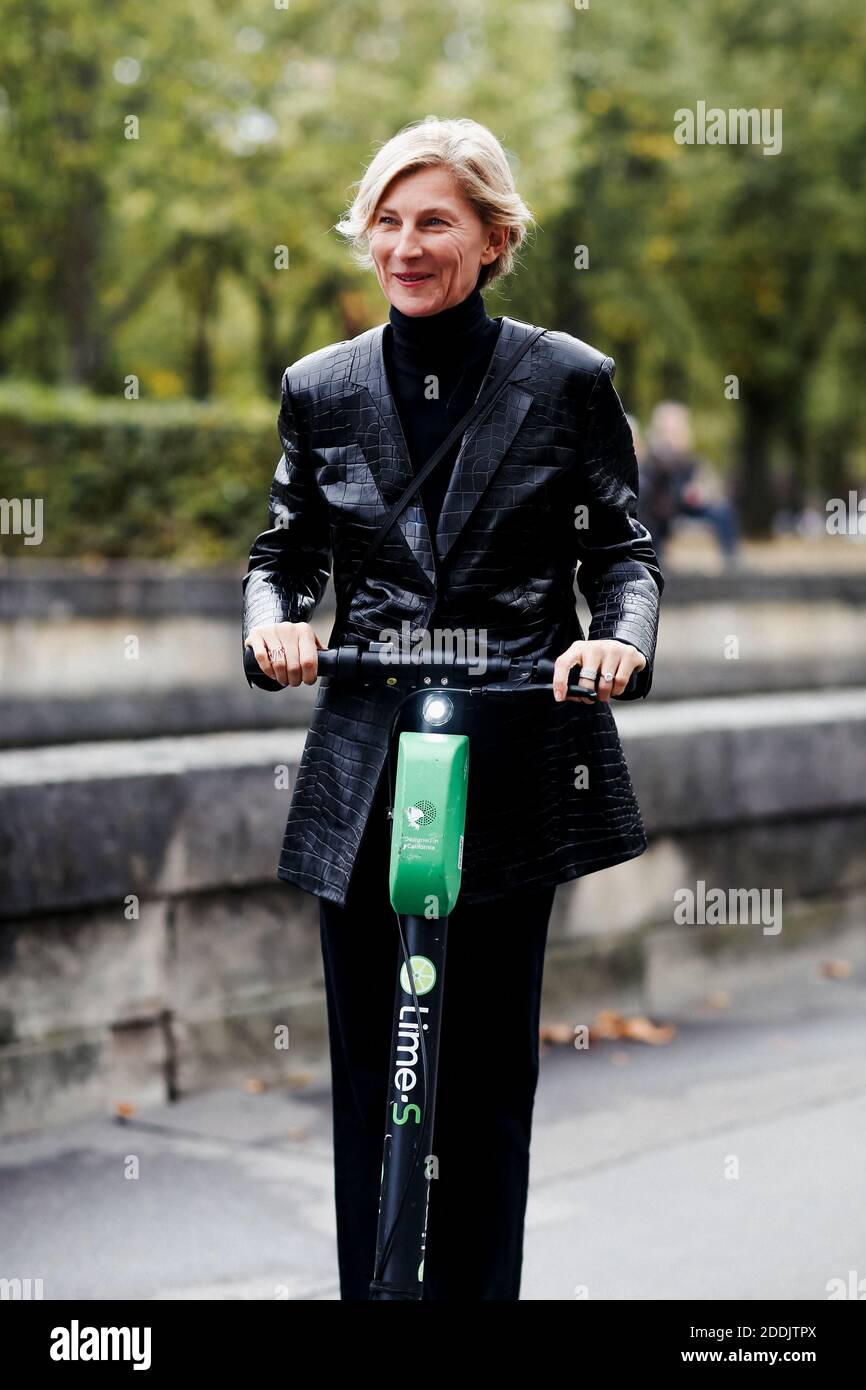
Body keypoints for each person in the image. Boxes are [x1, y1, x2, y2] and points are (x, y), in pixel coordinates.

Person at [241, 116, 664, 1301]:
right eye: (386, 219)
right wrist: (272, 624)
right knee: (370, 1072)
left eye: (434, 221)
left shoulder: (566, 378)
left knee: (480, 1085)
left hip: (514, 751)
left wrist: (613, 643)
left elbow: (624, 557)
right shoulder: (318, 389)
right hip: (366, 760)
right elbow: (282, 553)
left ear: (491, 238)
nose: (404, 244)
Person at [638, 400, 740, 566]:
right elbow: (651, 489)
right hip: (659, 511)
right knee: (650, 525)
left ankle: (731, 559)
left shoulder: (689, 460)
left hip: (686, 506)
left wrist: (699, 491)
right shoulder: (655, 458)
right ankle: (654, 564)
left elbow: (703, 482)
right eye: (673, 429)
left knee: (723, 511)